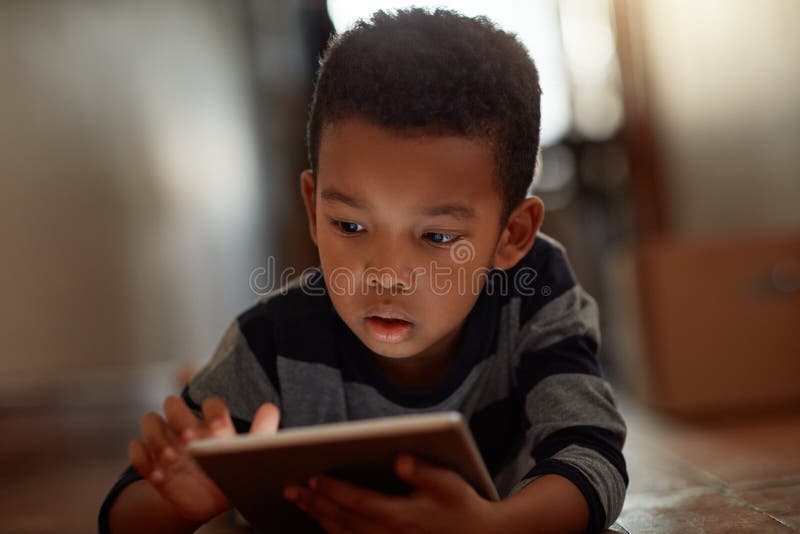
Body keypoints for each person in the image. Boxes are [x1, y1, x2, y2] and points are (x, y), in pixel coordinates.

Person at [99, 8, 627, 533]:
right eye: (350, 226)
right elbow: (122, 514)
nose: (385, 276)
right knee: (225, 411)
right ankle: (199, 381)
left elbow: (591, 457)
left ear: (511, 236)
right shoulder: (271, 344)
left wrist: (493, 528)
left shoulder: (535, 295)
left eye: (437, 237)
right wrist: (190, 500)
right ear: (312, 208)